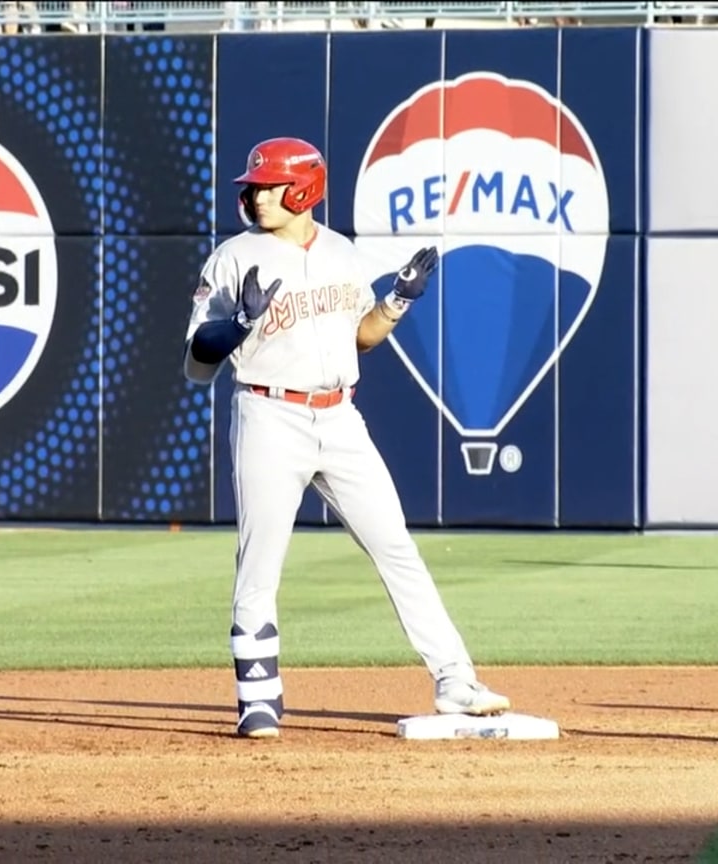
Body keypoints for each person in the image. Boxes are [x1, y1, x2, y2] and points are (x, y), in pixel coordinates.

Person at [181, 136, 510, 739]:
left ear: (302, 189)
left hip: (339, 416)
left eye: (265, 186)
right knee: (260, 560)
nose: (253, 196)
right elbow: (197, 359)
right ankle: (258, 698)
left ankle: (455, 680)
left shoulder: (342, 253)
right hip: (267, 413)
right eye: (251, 187)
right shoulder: (232, 257)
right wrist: (238, 325)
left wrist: (396, 304)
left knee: (396, 547)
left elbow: (359, 338)